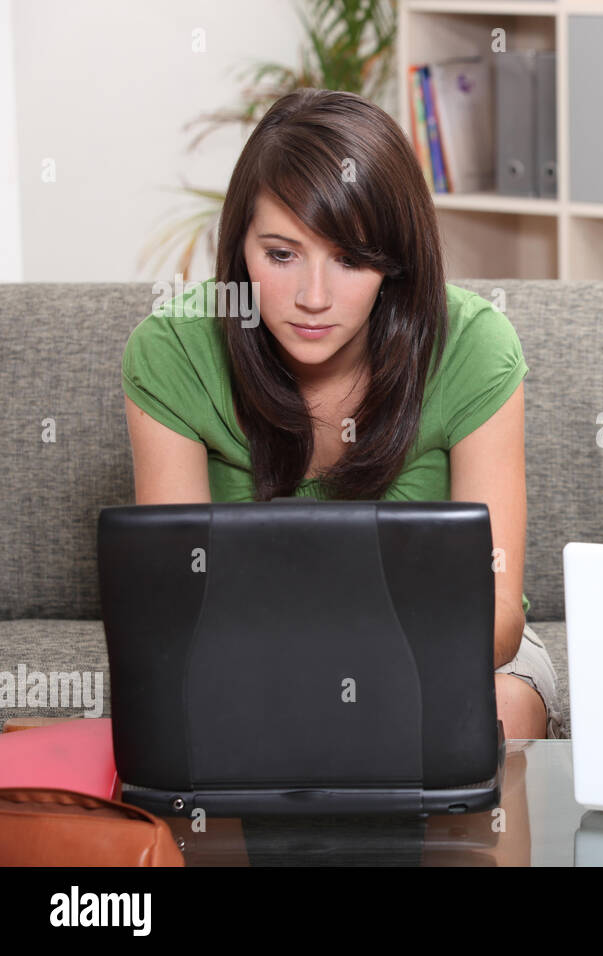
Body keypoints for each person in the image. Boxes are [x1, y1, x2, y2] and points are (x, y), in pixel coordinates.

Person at [121, 88, 558, 740]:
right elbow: (175, 609)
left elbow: (494, 619)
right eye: (281, 255)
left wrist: (358, 686)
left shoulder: (473, 343)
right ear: (239, 247)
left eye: (350, 260)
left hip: (447, 663)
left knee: (496, 715)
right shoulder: (173, 351)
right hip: (246, 668)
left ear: (394, 263)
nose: (313, 298)